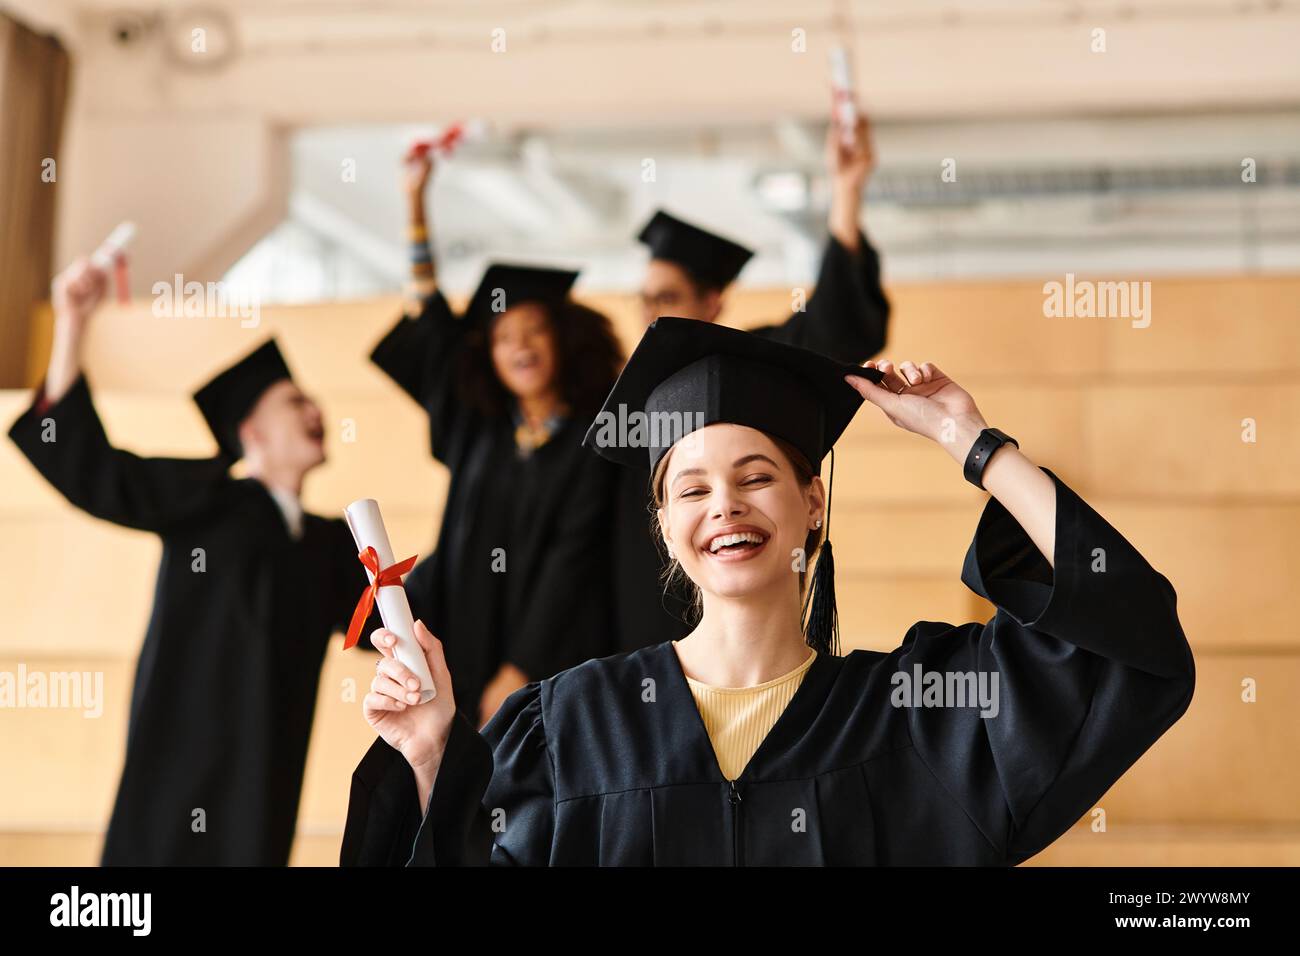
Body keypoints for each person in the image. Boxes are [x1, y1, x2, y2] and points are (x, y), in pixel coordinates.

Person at [340, 317, 1195, 866]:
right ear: (664, 525)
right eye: (693, 489)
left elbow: (1130, 634)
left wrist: (972, 443)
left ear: (811, 503)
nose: (727, 508)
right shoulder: (568, 726)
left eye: (757, 478)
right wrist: (428, 756)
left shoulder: (919, 717)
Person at [8, 255, 380, 866]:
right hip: (177, 764)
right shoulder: (206, 501)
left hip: (264, 776)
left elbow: (387, 622)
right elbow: (90, 468)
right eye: (294, 402)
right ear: (250, 433)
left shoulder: (329, 545)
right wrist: (73, 322)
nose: (316, 411)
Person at [614, 115, 892, 652]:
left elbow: (837, 324)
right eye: (645, 298)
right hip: (647, 631)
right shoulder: (629, 403)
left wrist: (845, 193)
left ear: (713, 301)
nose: (651, 312)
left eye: (667, 297)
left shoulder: (761, 372)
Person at [370, 151, 624, 728]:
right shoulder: (477, 431)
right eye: (504, 335)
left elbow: (573, 561)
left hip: (555, 657)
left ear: (565, 340)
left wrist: (521, 666)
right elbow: (432, 323)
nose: (521, 346)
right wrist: (415, 204)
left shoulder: (598, 439)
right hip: (464, 649)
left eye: (535, 330)